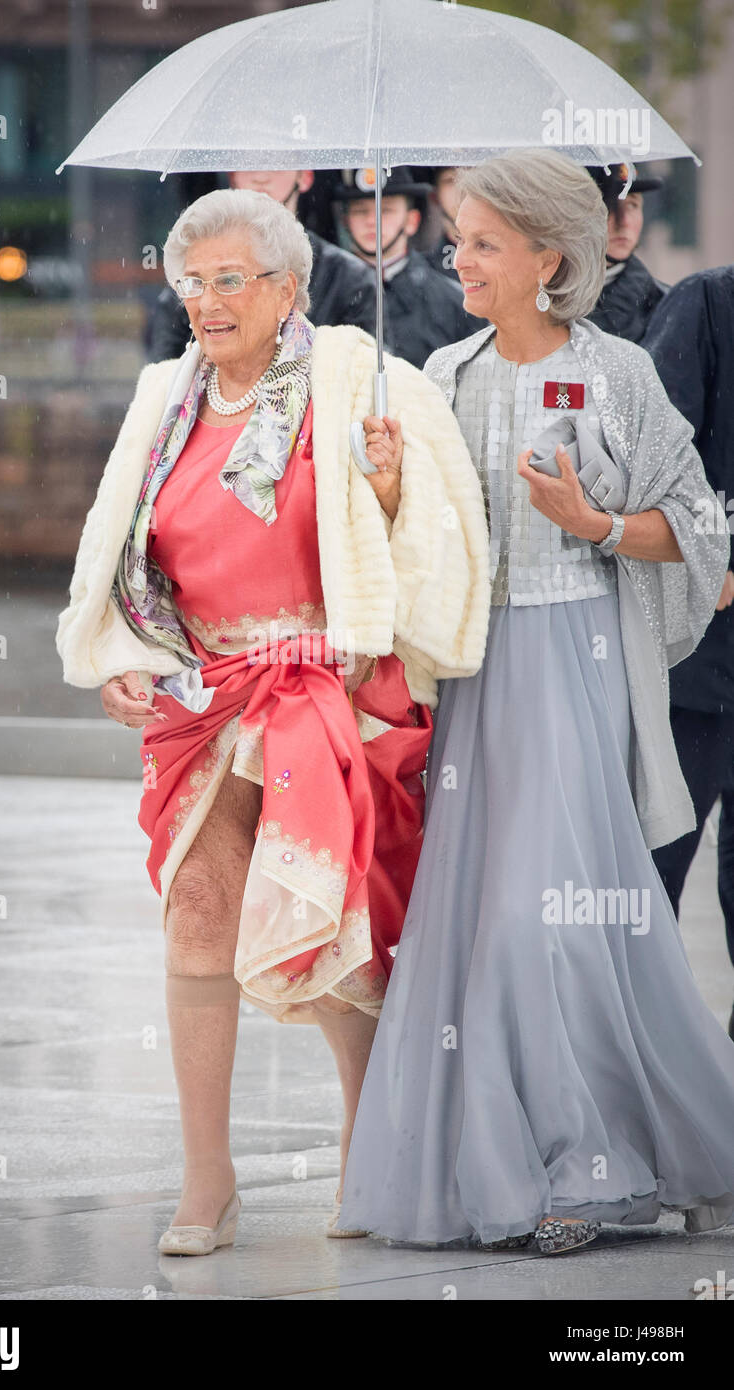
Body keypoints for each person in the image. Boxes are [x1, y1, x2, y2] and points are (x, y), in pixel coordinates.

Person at [56, 188, 490, 1256]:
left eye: (228, 280)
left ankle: (362, 1148)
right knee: (197, 908)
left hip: (323, 691)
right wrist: (122, 657)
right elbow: (119, 555)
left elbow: (438, 545)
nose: (204, 301)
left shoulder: (359, 377)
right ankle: (208, 1178)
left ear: (288, 286)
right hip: (202, 695)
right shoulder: (164, 397)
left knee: (335, 924)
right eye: (190, 282)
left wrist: (387, 489)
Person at [336, 148, 734, 1255]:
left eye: (479, 243)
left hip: (575, 664)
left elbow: (697, 530)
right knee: (469, 921)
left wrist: (592, 523)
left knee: (540, 916)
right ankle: (531, 1155)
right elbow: (429, 539)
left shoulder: (617, 374)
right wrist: (388, 487)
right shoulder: (445, 373)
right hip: (473, 675)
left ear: (547, 259)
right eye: (457, 237)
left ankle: (585, 1167)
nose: (453, 258)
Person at [644, 265, 734, 1041]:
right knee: (653, 870)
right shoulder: (704, 304)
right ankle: (642, 1057)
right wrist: (710, 553)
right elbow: (653, 458)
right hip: (695, 667)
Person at [143, 169, 378, 360]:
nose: (261, 176)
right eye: (248, 163)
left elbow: (362, 371)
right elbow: (166, 367)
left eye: (275, 163)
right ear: (233, 177)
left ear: (305, 176)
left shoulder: (350, 278)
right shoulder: (190, 280)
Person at [333, 166, 480, 370]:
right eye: (360, 210)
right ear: (345, 221)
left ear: (412, 221)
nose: (371, 221)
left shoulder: (452, 301)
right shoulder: (326, 289)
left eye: (386, 210)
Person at [586, 162, 668, 344]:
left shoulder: (665, 305)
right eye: (609, 205)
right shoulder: (540, 297)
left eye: (632, 205)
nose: (624, 221)